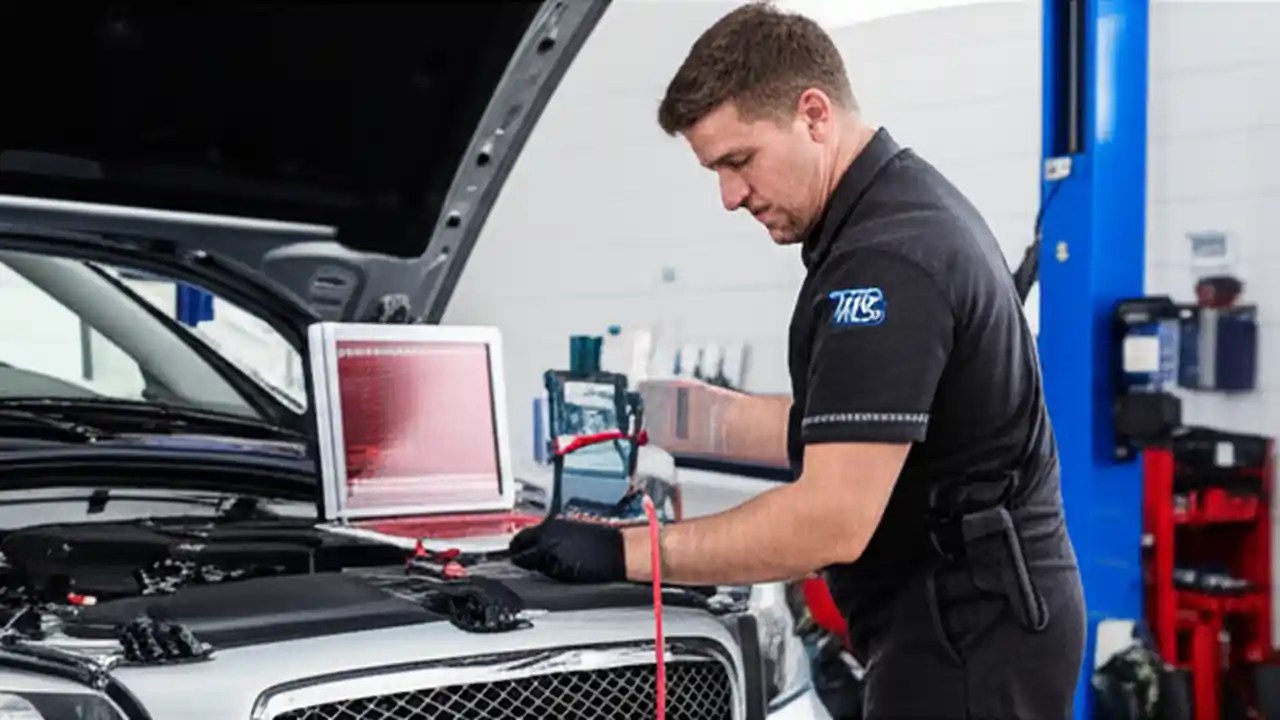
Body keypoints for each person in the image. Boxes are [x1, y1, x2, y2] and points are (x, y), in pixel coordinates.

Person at [510, 3, 1086, 718]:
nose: (728, 197)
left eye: (738, 161)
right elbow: (852, 425)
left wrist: (624, 552)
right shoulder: (897, 211)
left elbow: (829, 521)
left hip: (966, 637)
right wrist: (676, 416)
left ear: (813, 114)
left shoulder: (885, 261)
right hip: (972, 615)